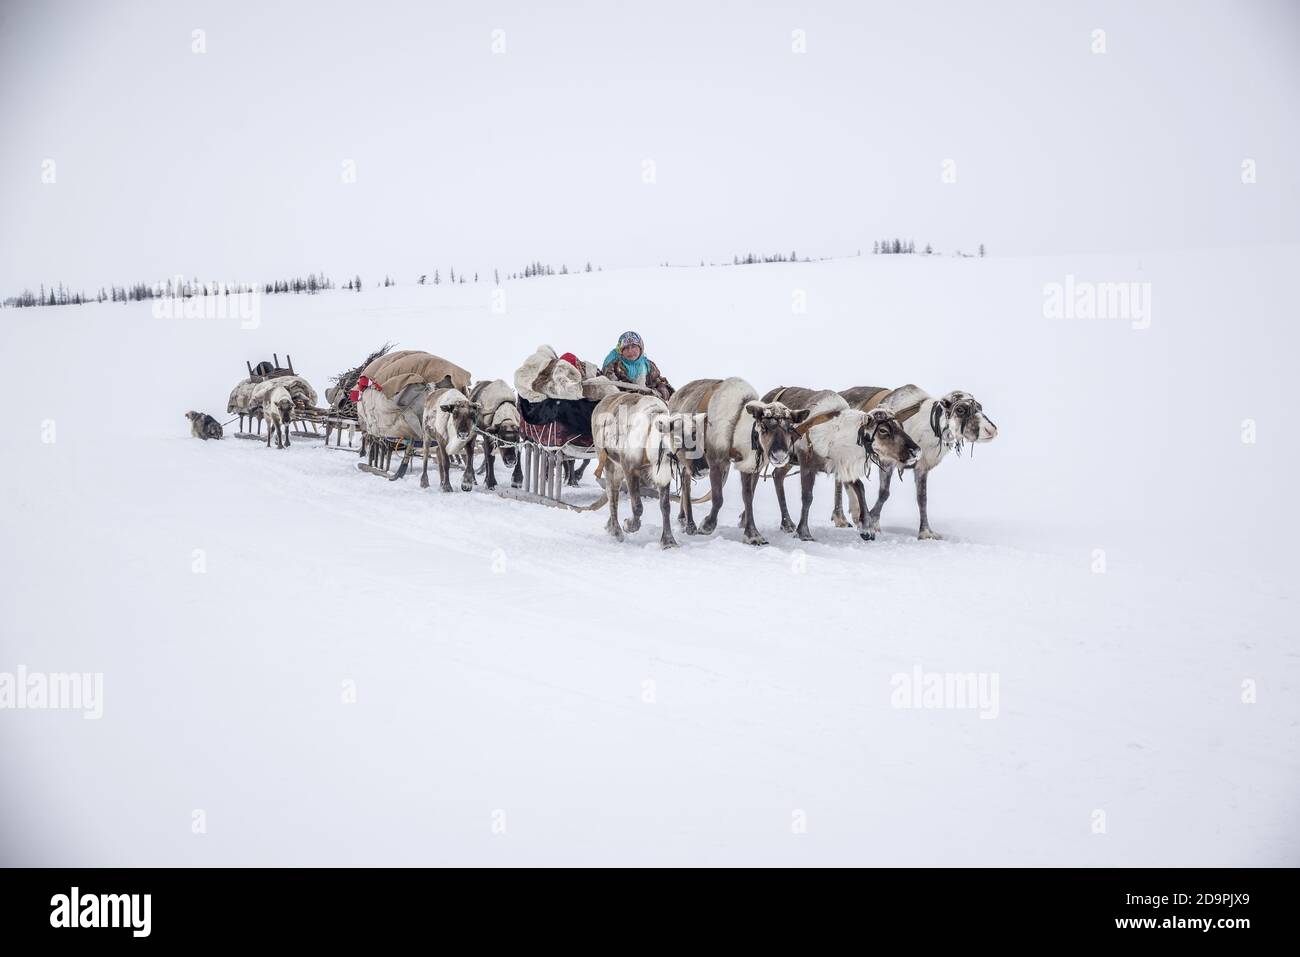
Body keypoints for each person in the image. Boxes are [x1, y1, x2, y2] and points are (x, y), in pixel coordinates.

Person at [600, 331, 674, 400]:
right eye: (626, 348)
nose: (630, 351)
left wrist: (662, 387)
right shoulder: (614, 365)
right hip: (622, 402)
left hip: (647, 403)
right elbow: (614, 385)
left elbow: (658, 380)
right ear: (621, 351)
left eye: (633, 346)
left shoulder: (648, 366)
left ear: (640, 348)